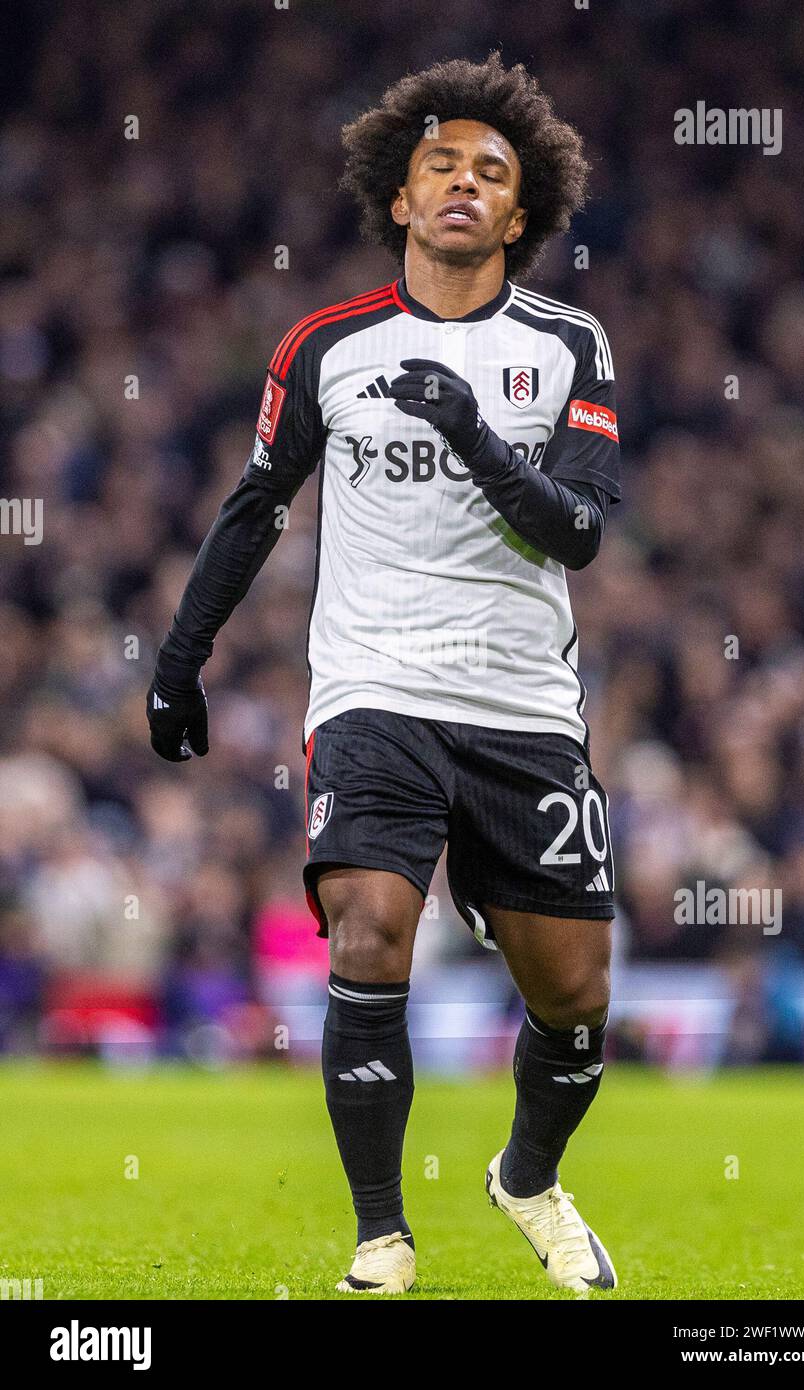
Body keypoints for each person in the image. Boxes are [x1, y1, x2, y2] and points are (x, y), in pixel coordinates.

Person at [147, 53, 621, 1296]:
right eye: (439, 167)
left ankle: (524, 1176)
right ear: (400, 200)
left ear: (519, 217)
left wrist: (467, 432)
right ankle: (378, 1234)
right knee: (364, 934)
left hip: (522, 703)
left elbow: (577, 530)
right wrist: (178, 665)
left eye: (490, 173)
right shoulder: (326, 345)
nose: (462, 183)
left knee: (572, 1001)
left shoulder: (567, 344)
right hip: (373, 688)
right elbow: (255, 508)